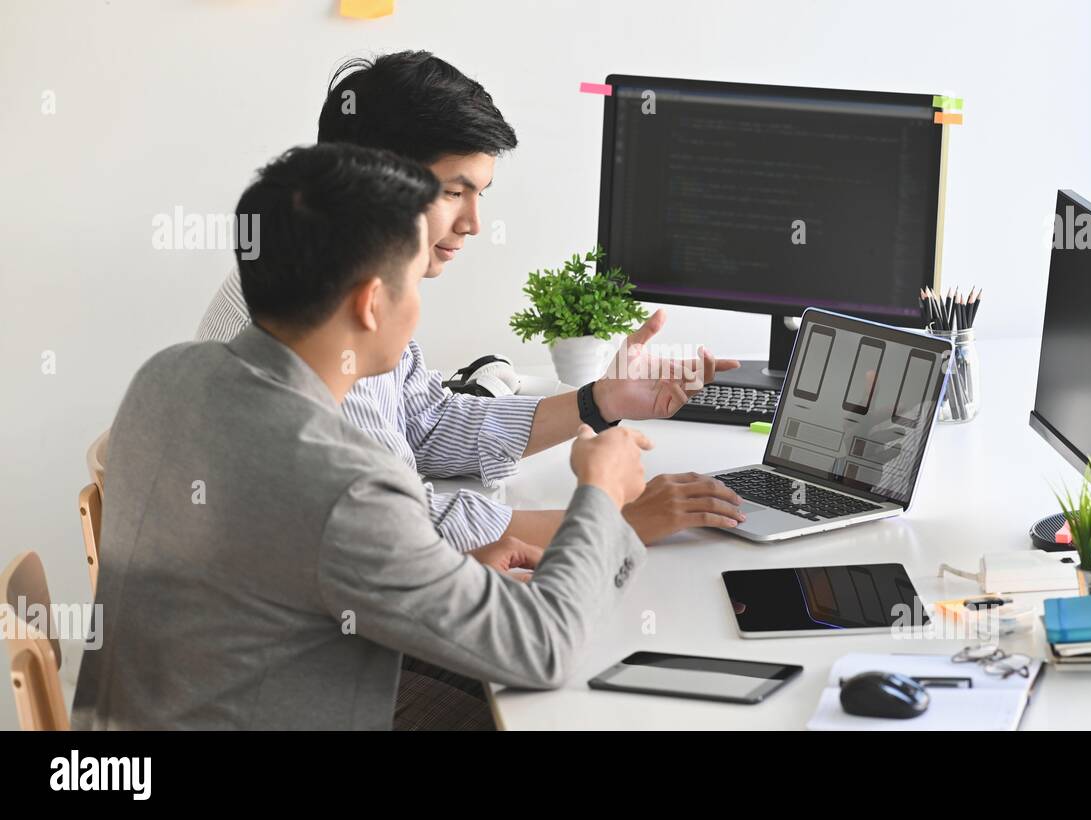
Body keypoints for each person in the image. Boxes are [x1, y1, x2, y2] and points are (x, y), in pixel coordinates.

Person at [73, 143, 653, 730]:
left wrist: (433, 574)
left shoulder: (167, 374)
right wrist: (602, 494)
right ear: (372, 303)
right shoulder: (345, 482)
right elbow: (543, 648)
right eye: (413, 283)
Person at [195, 51, 746, 554]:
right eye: (455, 192)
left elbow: (427, 423)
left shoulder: (329, 274)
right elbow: (407, 531)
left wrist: (598, 400)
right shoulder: (324, 321)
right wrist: (613, 520)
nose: (474, 224)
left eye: (480, 195)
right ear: (375, 184)